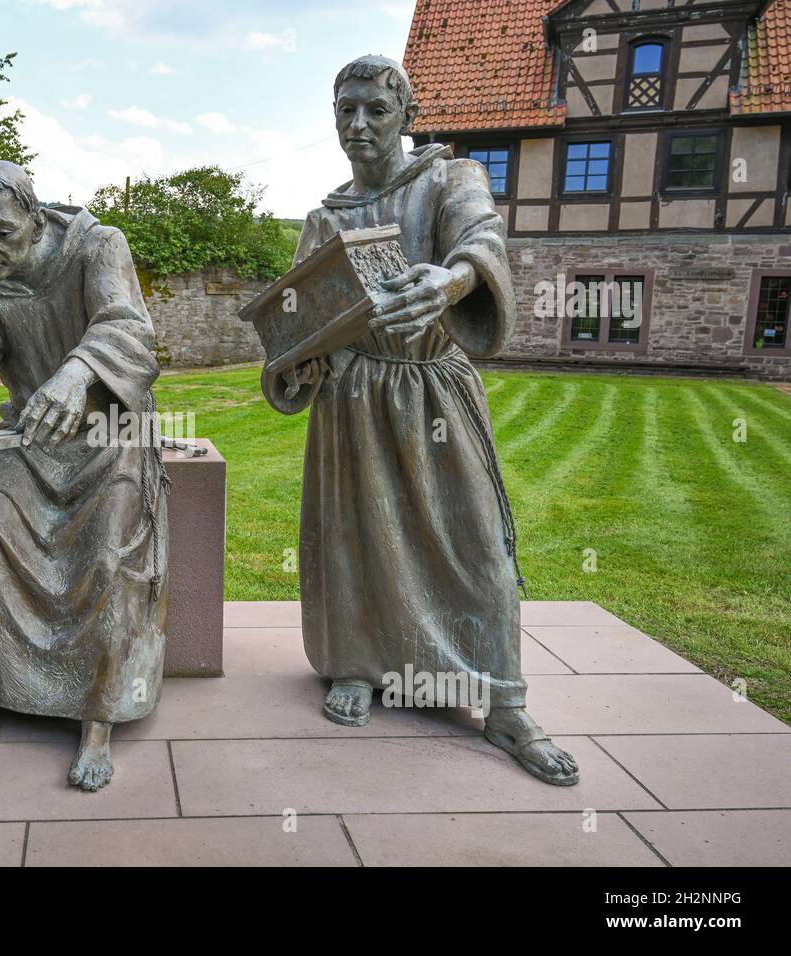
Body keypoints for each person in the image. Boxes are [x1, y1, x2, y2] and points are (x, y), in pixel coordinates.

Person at [276, 55, 578, 786]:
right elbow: (299, 317)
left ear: (407, 117)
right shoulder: (326, 216)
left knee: (475, 544)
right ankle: (357, 664)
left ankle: (504, 702)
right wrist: (295, 352)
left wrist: (451, 280)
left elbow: (480, 242)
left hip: (433, 389)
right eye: (345, 110)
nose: (357, 126)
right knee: (353, 537)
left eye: (375, 111)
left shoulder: (451, 179)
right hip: (350, 399)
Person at [0, 160, 168, 791]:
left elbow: (129, 331)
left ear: (33, 215)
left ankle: (99, 718)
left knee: (107, 559)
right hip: (33, 437)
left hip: (112, 436)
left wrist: (77, 375)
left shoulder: (97, 247)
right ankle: (0, 691)